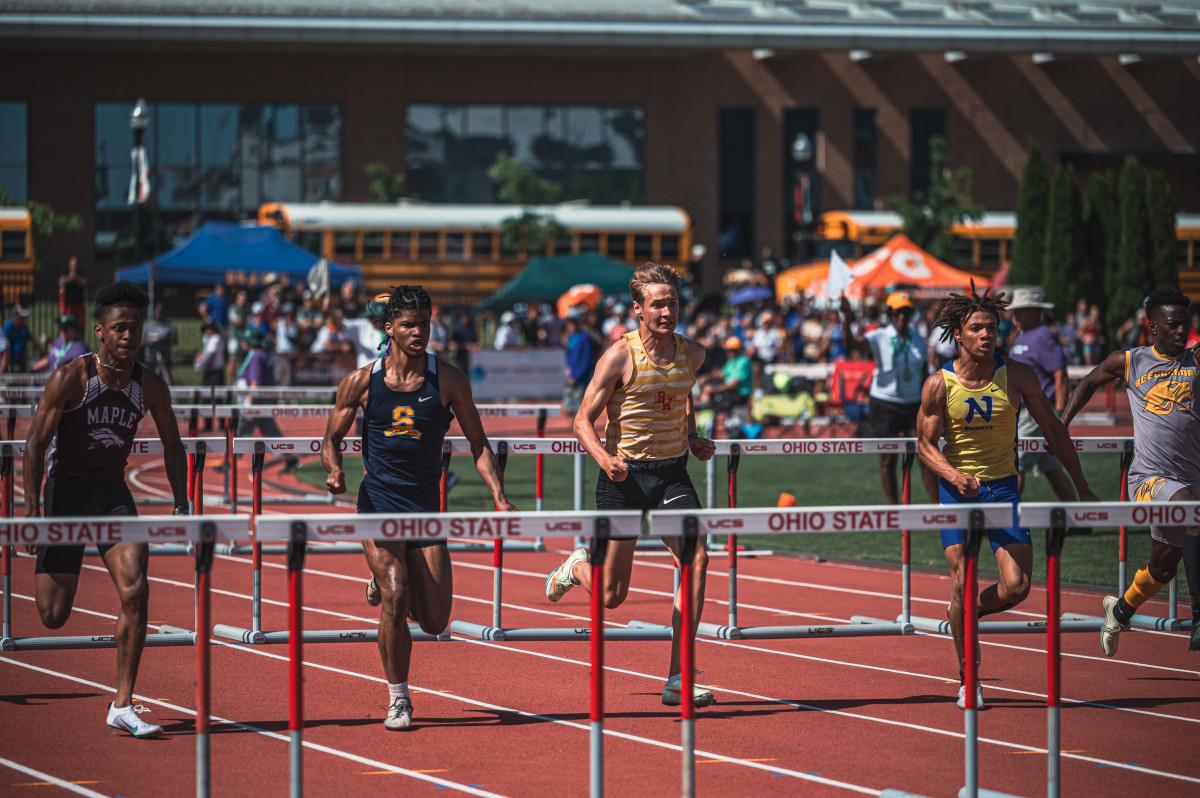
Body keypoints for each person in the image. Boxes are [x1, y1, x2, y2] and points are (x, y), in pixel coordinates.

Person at [321, 285, 515, 731]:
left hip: (426, 507)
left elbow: (478, 443)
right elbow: (330, 439)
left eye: (424, 324)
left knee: (434, 620)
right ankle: (398, 698)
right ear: (389, 328)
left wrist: (498, 497)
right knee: (395, 592)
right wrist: (335, 471)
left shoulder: (446, 379)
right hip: (379, 503)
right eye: (408, 325)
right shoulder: (361, 381)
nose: (418, 333)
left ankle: (386, 581)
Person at [545, 262, 718, 708]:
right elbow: (582, 420)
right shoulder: (619, 356)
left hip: (670, 474)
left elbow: (683, 394)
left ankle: (679, 675)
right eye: (657, 304)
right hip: (622, 479)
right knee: (611, 597)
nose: (666, 311)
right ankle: (577, 566)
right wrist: (605, 458)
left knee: (696, 555)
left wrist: (693, 434)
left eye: (673, 303)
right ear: (638, 309)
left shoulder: (692, 354)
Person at [916, 282, 1096, 709]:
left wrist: (1083, 488)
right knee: (961, 582)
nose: (985, 335)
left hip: (1002, 489)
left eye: (991, 328)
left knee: (1017, 587)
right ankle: (968, 677)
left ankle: (965, 615)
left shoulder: (1017, 375)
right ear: (958, 334)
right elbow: (924, 446)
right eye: (976, 328)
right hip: (958, 492)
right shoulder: (938, 385)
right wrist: (954, 476)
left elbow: (1054, 431)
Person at [22, 281, 189, 738]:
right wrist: (34, 510)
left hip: (112, 495)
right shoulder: (72, 377)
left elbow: (174, 447)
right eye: (119, 328)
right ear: (100, 331)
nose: (128, 337)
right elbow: (35, 445)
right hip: (67, 494)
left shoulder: (149, 385)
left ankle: (123, 703)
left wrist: (182, 504)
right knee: (52, 614)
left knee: (136, 589)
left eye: (135, 328)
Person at [1061, 288, 1200, 656]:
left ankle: (1120, 609)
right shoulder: (1132, 361)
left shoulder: (1196, 361)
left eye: (1186, 323)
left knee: (1164, 567)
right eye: (1173, 324)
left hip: (1191, 477)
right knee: (1193, 512)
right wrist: (1062, 424)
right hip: (1151, 478)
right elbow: (1089, 381)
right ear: (1152, 326)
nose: (1181, 331)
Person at [843, 292, 939, 505]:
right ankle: (895, 511)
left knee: (926, 454)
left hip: (914, 402)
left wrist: (930, 403)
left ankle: (937, 507)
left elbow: (924, 374)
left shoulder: (917, 340)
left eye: (906, 312)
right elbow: (853, 345)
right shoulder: (879, 336)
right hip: (885, 402)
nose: (901, 317)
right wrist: (847, 318)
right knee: (888, 458)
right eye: (897, 312)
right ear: (889, 314)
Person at [1007, 286, 1079, 503]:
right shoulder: (1024, 335)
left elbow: (1060, 374)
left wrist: (1059, 414)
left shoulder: (1043, 335)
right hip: (1028, 412)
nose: (1014, 315)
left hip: (1035, 412)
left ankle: (1005, 519)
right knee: (1052, 469)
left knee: (1013, 465)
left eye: (1018, 310)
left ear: (1031, 310)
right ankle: (1079, 518)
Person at [236, 328, 300, 474]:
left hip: (256, 401)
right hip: (262, 400)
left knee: (239, 430)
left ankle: (229, 461)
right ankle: (291, 459)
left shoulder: (257, 356)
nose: (242, 342)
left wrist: (249, 401)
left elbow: (255, 382)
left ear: (250, 342)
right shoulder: (262, 354)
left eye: (244, 340)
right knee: (271, 432)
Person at [563, 314, 594, 416]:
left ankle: (577, 430)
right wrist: (569, 374)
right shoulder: (569, 337)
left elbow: (587, 360)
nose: (572, 325)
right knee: (568, 408)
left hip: (581, 379)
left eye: (574, 322)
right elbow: (568, 356)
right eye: (570, 323)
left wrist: (576, 377)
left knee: (580, 409)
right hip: (571, 377)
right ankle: (573, 429)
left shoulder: (584, 337)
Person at [4, 304, 35, 372]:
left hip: (22, 355)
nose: (24, 318)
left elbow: (30, 338)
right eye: (22, 316)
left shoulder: (23, 326)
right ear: (16, 315)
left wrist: (40, 350)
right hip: (12, 357)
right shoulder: (8, 327)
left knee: (22, 374)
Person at [58, 255, 87, 321]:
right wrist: (71, 278)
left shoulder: (80, 273)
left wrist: (75, 279)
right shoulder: (66, 272)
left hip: (79, 303)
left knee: (80, 323)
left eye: (75, 265)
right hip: (68, 304)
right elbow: (61, 280)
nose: (74, 267)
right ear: (69, 265)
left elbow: (85, 282)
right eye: (73, 265)